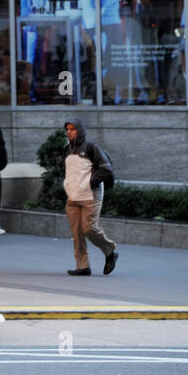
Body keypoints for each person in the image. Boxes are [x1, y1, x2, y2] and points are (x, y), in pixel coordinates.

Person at [62, 117, 118, 277]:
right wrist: (68, 185)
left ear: (80, 131)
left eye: (72, 129)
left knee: (88, 228)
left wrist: (88, 182)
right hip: (72, 197)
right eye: (67, 129)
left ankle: (110, 250)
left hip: (90, 196)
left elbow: (106, 168)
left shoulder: (91, 147)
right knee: (77, 233)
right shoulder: (67, 149)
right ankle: (82, 266)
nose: (69, 132)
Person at [129, 0, 178, 104]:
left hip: (159, 18)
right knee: (144, 55)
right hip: (141, 17)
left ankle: (164, 91)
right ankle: (149, 90)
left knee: (160, 55)